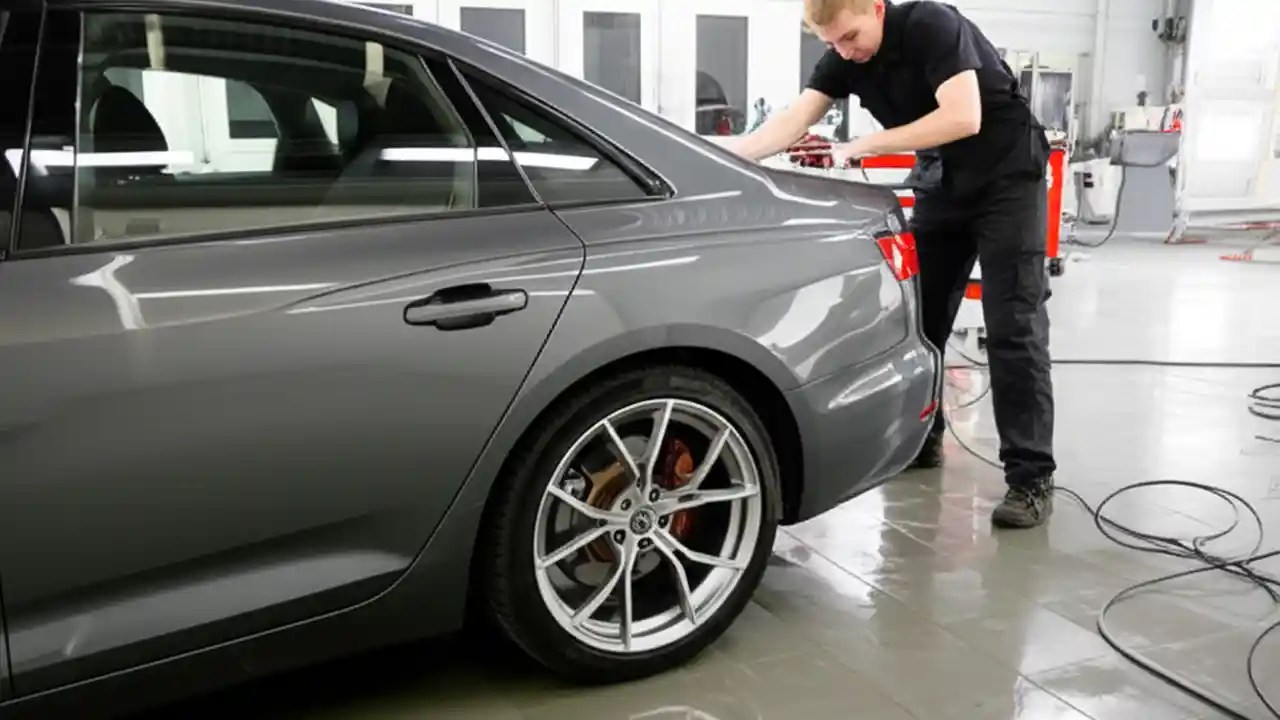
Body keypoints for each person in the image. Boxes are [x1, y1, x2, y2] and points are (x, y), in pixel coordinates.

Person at [727, 0, 1056, 529]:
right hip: (943, 181)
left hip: (1006, 176)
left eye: (851, 36)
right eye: (831, 43)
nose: (844, 52)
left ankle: (1031, 478)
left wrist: (858, 147)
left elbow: (963, 115)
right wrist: (727, 162)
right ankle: (924, 436)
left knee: (1012, 323)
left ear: (877, 9)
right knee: (920, 320)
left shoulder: (933, 25)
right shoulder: (845, 53)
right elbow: (791, 121)